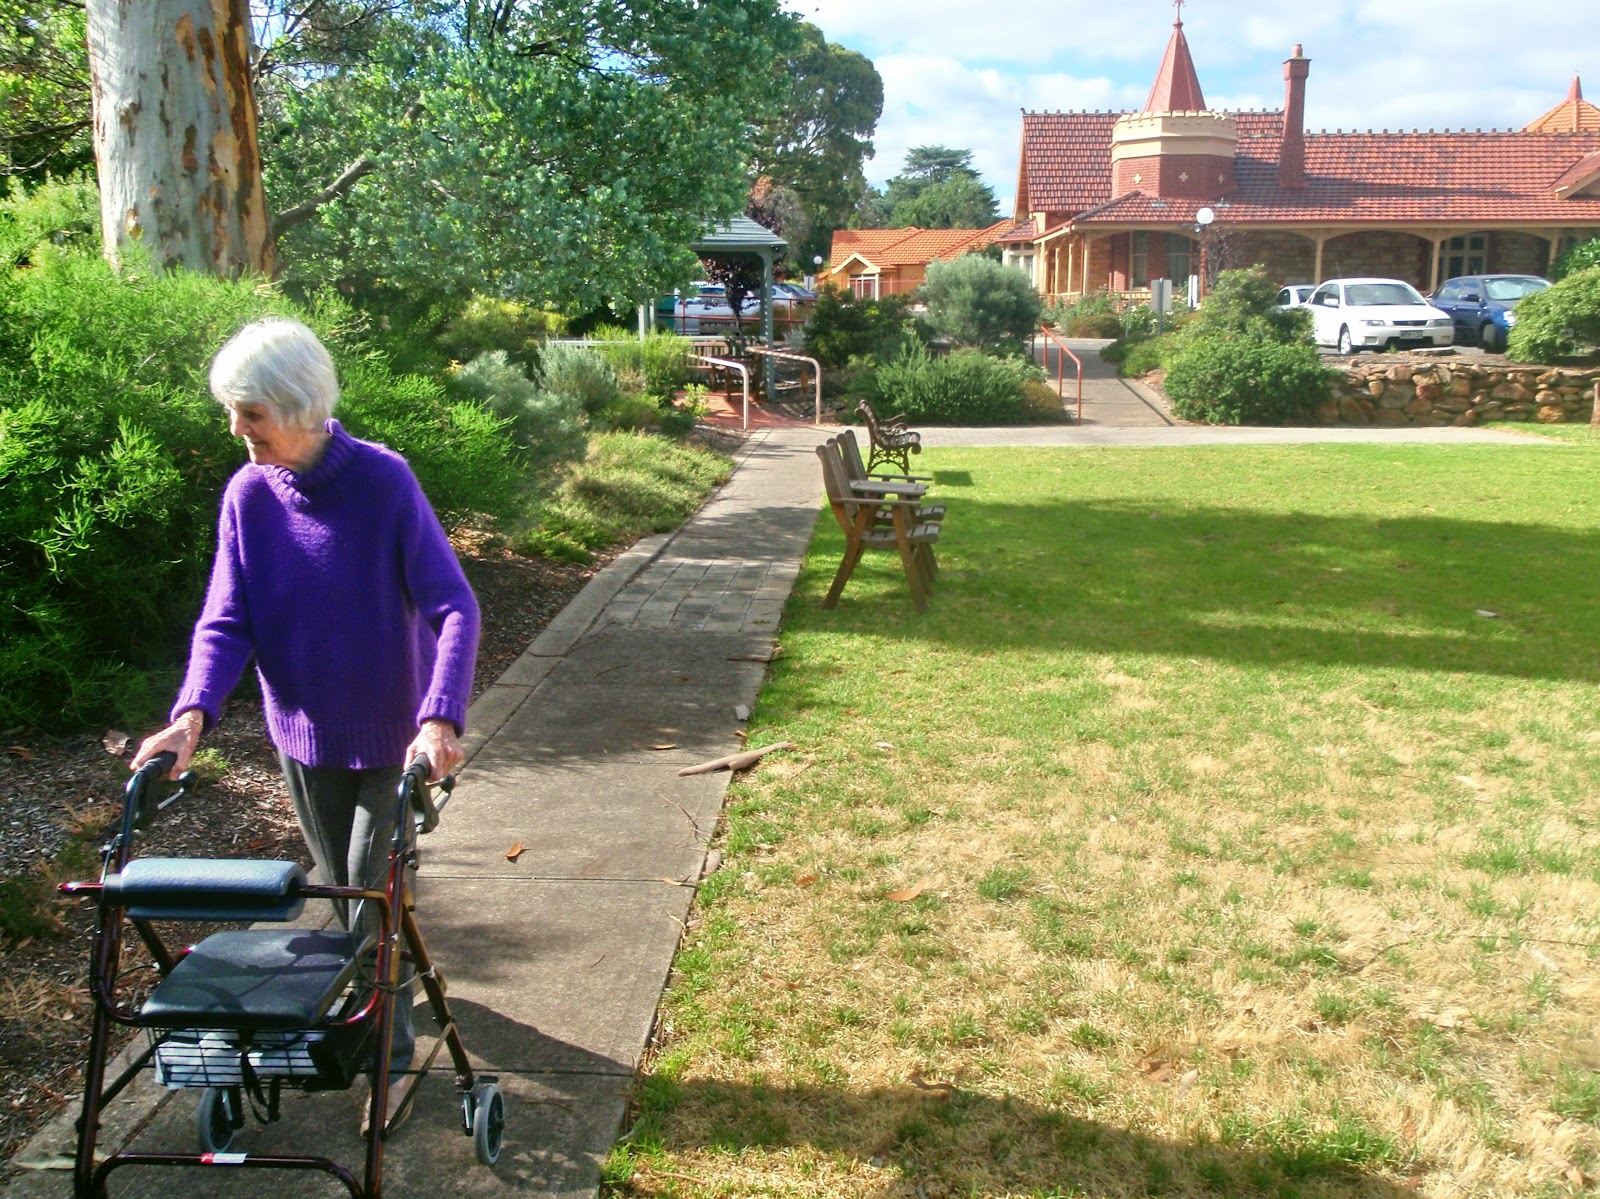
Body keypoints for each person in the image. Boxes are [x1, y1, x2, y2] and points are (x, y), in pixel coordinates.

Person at [131, 317, 480, 1136]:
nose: (236, 430)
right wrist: (190, 718)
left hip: (397, 737)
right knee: (348, 891)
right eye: (231, 411)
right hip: (304, 735)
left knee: (369, 899)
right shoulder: (248, 494)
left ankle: (388, 1061)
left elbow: (453, 604)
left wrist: (439, 716)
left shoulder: (386, 483)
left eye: (250, 412)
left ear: (299, 406)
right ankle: (389, 999)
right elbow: (226, 620)